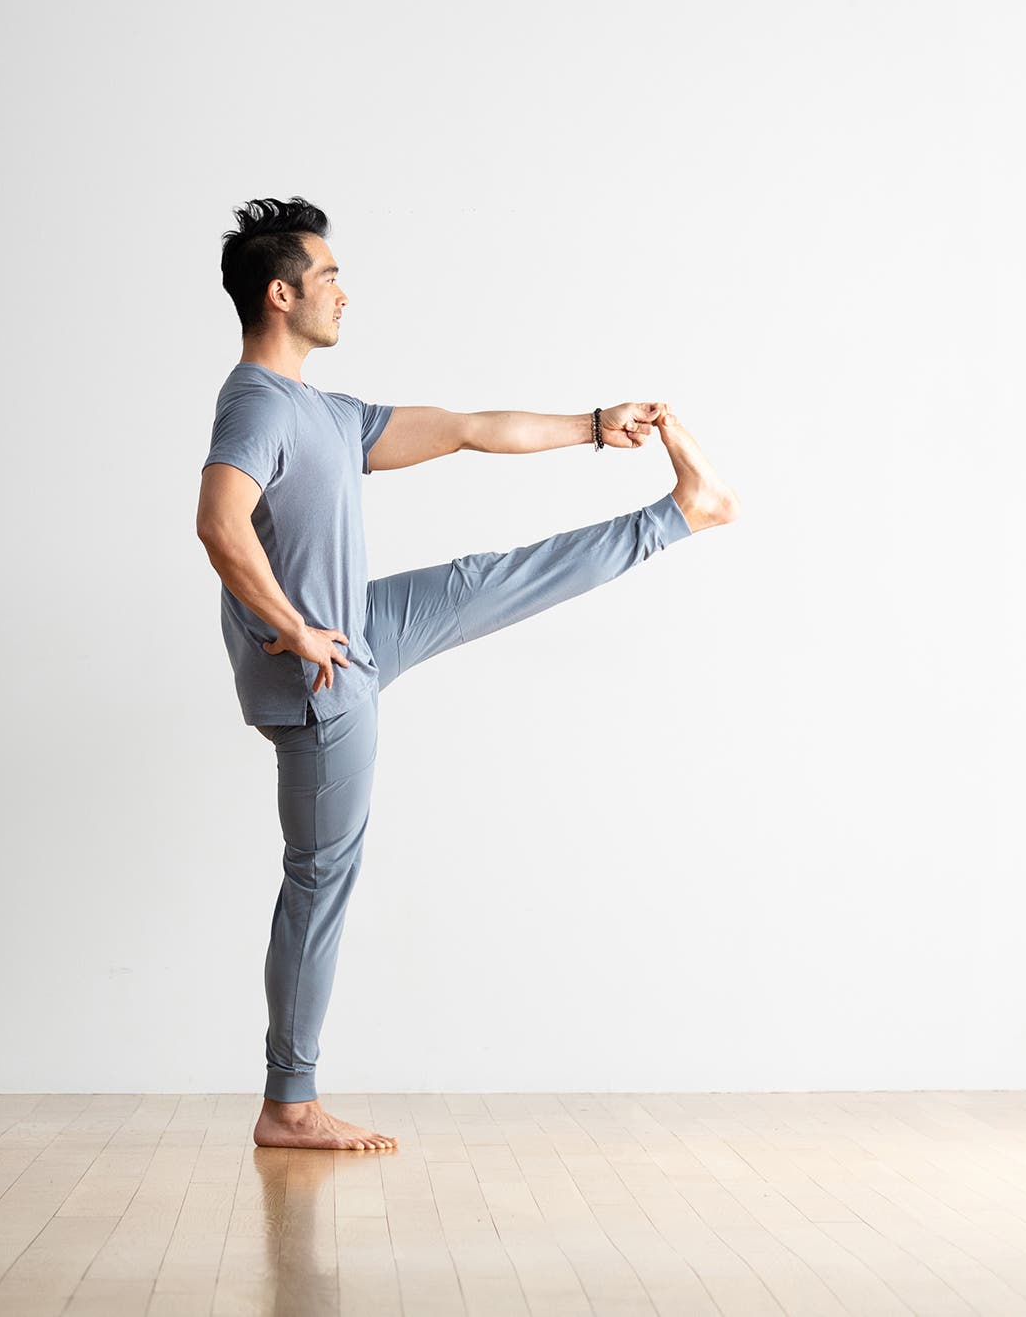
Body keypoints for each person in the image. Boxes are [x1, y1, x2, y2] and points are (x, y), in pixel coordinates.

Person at [195, 198, 741, 1151]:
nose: (343, 292)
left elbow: (466, 429)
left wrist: (592, 424)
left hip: (363, 629)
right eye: (328, 278)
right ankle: (290, 1103)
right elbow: (219, 523)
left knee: (485, 579)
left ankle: (683, 512)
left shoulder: (322, 410)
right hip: (322, 681)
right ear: (281, 295)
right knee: (320, 881)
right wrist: (295, 629)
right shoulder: (254, 405)